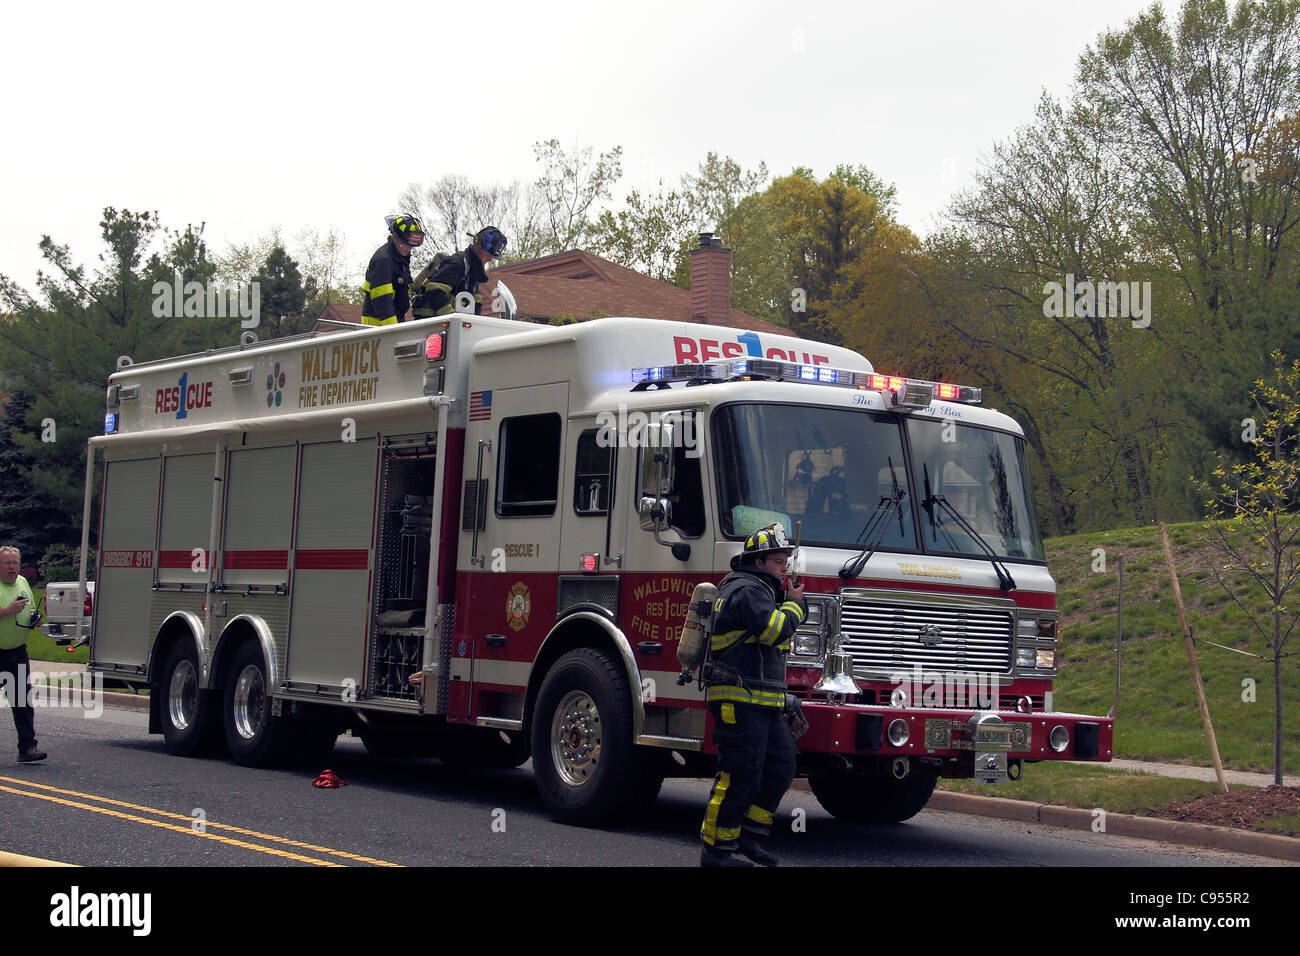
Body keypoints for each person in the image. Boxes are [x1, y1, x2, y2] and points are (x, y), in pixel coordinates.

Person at [699, 523, 805, 866]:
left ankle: (748, 836)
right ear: (759, 562)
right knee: (740, 771)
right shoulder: (746, 590)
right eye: (778, 561)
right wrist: (795, 606)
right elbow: (775, 631)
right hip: (738, 699)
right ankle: (716, 850)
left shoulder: (759, 589)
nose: (784, 568)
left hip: (762, 701)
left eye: (785, 561)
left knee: (780, 765)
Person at [0, 546, 45, 762]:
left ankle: (27, 748)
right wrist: (9, 610)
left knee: (22, 702)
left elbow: (29, 610)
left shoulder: (23, 583)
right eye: (7, 563)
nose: (12, 567)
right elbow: (12, 610)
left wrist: (35, 620)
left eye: (15, 563)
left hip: (17, 652)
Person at [410, 226, 507, 318]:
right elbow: (435, 290)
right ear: (478, 245)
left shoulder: (472, 272)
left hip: (445, 325)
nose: (490, 259)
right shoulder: (458, 264)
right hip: (431, 322)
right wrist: (452, 319)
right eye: (488, 254)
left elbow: (474, 304)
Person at [362, 214, 425, 326]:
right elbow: (382, 301)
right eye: (404, 244)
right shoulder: (383, 260)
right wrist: (393, 329)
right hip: (378, 324)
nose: (408, 249)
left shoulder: (400, 259)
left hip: (393, 321)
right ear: (395, 237)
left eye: (411, 246)